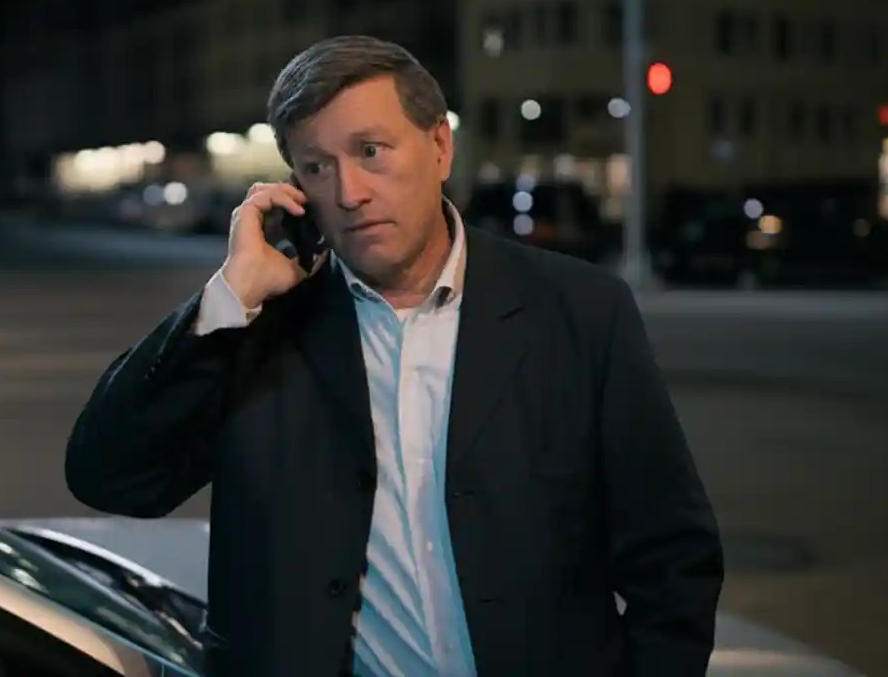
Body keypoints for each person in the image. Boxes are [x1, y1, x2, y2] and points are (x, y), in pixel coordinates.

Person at [65, 35, 724, 677]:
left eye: (370, 151)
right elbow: (109, 475)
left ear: (440, 145)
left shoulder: (578, 310)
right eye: (318, 167)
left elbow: (671, 555)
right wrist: (228, 297)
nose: (349, 192)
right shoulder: (258, 328)